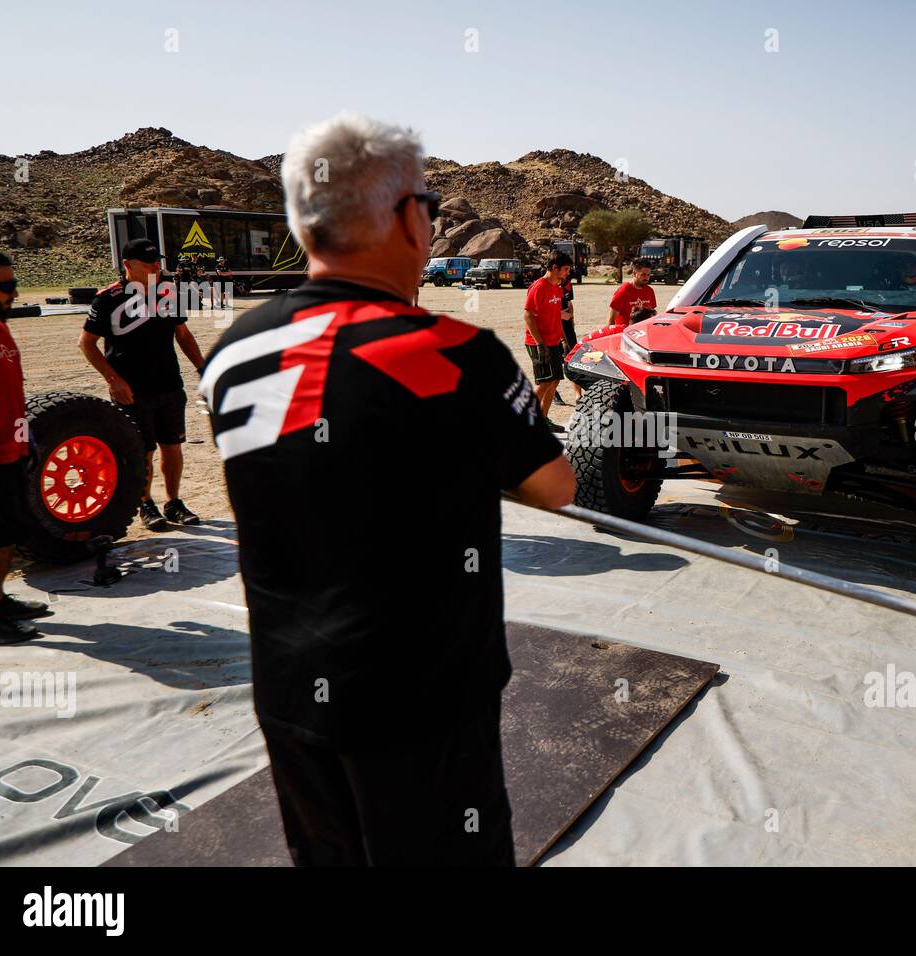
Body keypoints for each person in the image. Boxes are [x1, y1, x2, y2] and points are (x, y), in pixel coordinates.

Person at [200, 113, 575, 866]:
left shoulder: (234, 350)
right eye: (429, 208)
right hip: (422, 700)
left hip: (287, 685)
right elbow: (555, 487)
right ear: (409, 218)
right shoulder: (457, 352)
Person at [79, 238, 206, 530]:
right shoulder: (108, 298)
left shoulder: (167, 293)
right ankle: (145, 504)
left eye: (157, 262)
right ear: (127, 264)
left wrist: (202, 367)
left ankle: (173, 502)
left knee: (173, 446)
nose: (155, 267)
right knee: (143, 449)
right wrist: (113, 379)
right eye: (148, 262)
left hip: (169, 384)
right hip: (132, 390)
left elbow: (183, 335)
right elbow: (86, 344)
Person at [0, 247, 51, 644]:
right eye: (7, 286)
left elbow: (8, 389)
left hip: (10, 450)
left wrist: (27, 435)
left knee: (6, 532)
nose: (14, 294)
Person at [523, 251, 573, 430]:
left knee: (554, 381)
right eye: (565, 269)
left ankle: (542, 420)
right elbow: (528, 315)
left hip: (554, 342)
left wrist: (565, 341)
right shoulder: (539, 287)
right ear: (554, 268)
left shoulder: (558, 287)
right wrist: (539, 343)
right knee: (544, 382)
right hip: (538, 343)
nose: (568, 272)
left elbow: (555, 317)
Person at [552, 264, 579, 406]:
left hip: (567, 325)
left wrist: (572, 321)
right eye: (566, 270)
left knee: (573, 358)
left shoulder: (567, 283)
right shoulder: (548, 285)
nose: (567, 274)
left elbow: (569, 303)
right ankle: (554, 394)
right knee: (555, 361)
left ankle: (578, 395)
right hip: (553, 325)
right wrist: (559, 315)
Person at [608, 261, 657, 327]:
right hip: (625, 334)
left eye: (648, 275)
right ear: (634, 273)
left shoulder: (650, 291)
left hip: (643, 333)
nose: (647, 278)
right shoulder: (623, 292)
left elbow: (652, 316)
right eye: (643, 274)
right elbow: (611, 322)